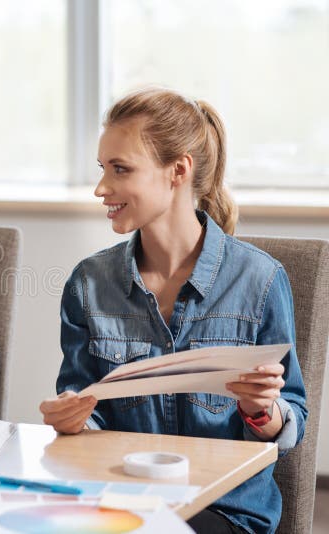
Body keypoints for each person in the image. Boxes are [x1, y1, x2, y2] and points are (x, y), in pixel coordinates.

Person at [39, 88, 307, 533]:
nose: (101, 188)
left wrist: (264, 411)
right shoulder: (88, 283)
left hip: (227, 513)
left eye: (120, 169)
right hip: (122, 503)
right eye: (103, 169)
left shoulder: (259, 281)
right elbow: (85, 412)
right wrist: (72, 421)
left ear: (178, 170)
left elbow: (291, 416)